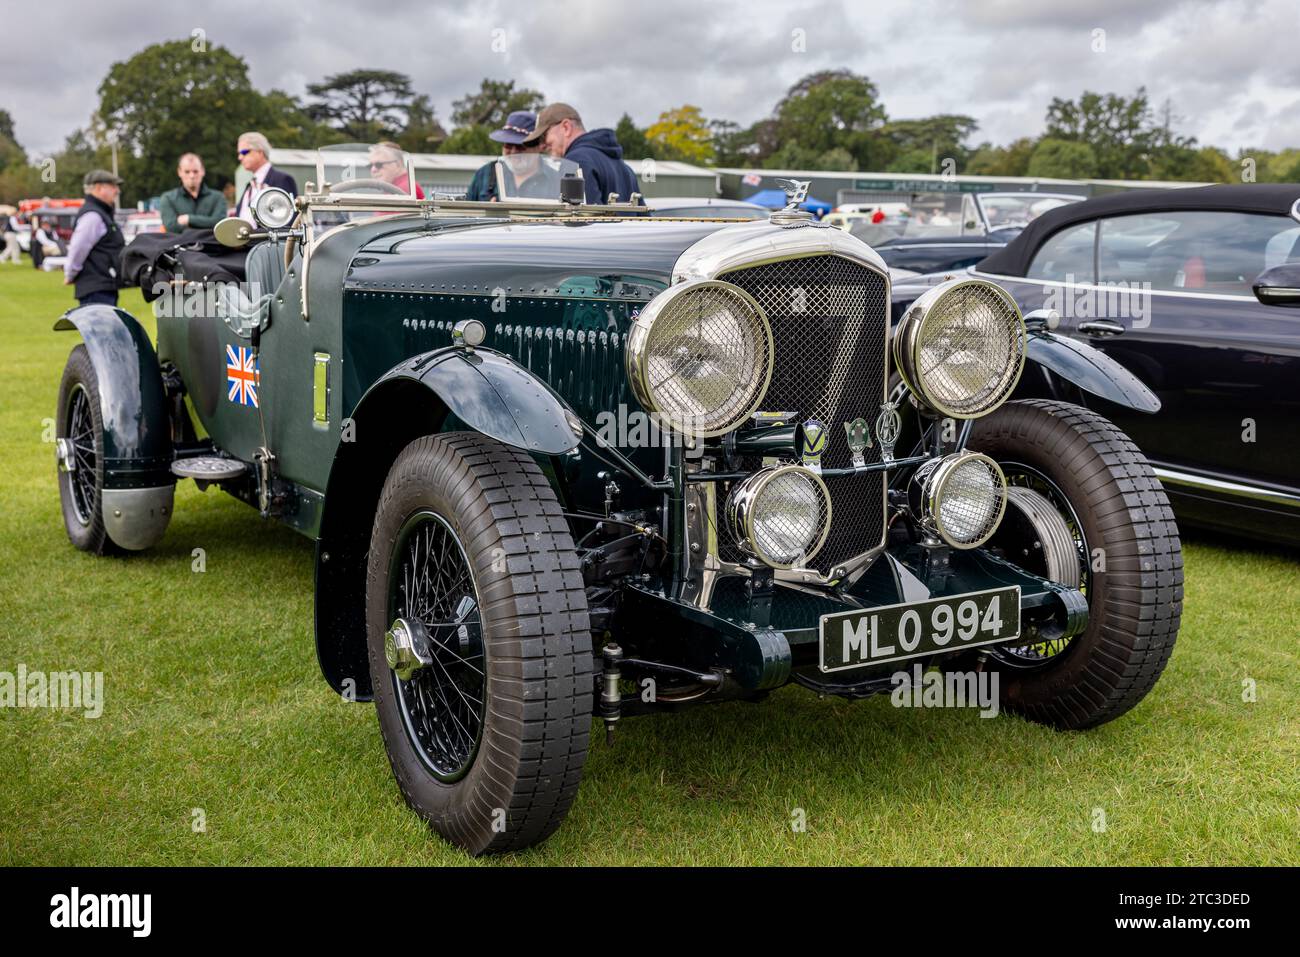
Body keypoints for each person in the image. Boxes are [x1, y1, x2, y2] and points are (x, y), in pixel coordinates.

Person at [521, 103, 639, 206]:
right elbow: (642, 220)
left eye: (543, 136)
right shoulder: (624, 167)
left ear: (566, 127)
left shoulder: (574, 162)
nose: (542, 146)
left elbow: (584, 226)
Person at [63, 170, 125, 307]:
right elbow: (78, 248)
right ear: (98, 188)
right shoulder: (93, 215)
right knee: (100, 328)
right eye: (113, 186)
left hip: (103, 286)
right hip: (96, 289)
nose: (117, 191)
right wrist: (70, 273)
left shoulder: (101, 212)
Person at [465, 110, 538, 202]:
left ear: (537, 146)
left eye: (520, 146)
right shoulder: (483, 174)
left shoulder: (553, 179)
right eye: (508, 145)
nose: (513, 151)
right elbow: (466, 214)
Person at [234, 132, 297, 224]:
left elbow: (289, 222)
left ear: (260, 152)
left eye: (244, 152)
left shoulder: (282, 180)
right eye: (239, 153)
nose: (240, 157)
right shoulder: (250, 185)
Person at [159, 153, 227, 233]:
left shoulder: (218, 197)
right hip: (180, 244)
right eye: (187, 172)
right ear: (179, 172)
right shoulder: (168, 198)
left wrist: (188, 219)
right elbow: (171, 227)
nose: (192, 176)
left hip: (210, 245)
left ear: (202, 171)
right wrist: (207, 224)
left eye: (195, 171)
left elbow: (220, 223)